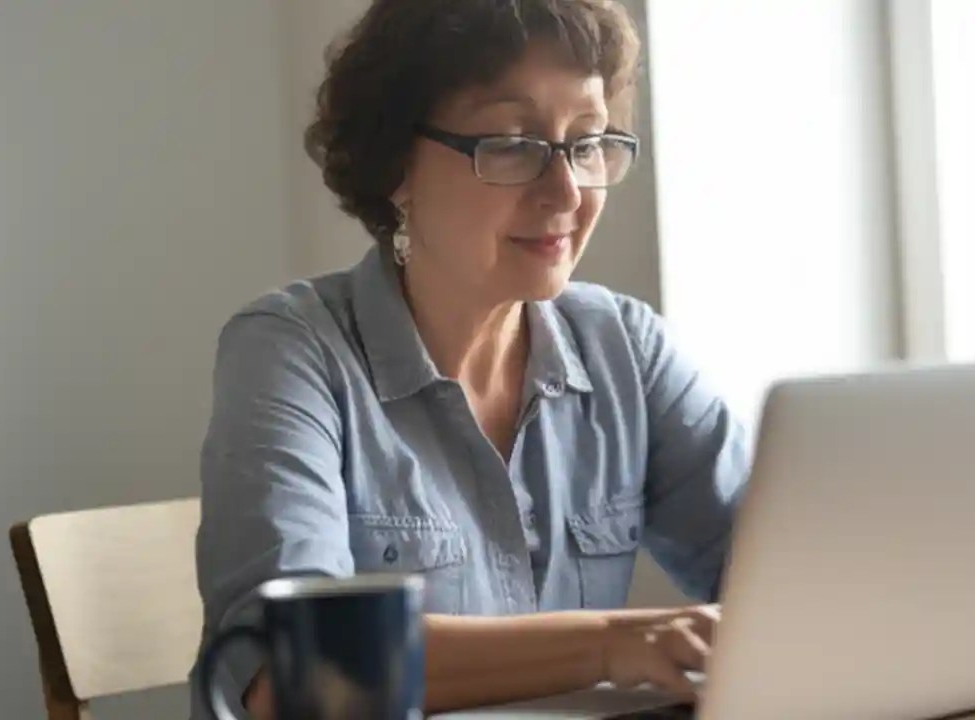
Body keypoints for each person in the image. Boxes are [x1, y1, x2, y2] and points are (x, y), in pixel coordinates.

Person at [191, 0, 748, 716]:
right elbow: (285, 678)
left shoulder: (626, 349)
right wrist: (612, 642)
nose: (568, 191)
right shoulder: (290, 352)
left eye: (587, 141)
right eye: (512, 143)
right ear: (396, 165)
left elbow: (789, 584)